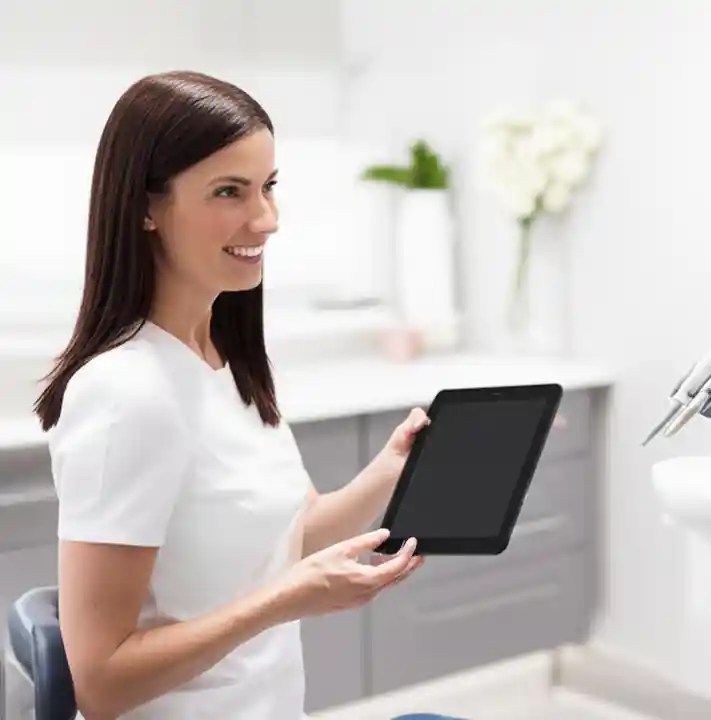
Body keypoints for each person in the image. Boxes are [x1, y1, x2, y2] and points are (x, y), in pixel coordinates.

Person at [34, 71, 429, 719]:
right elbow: (101, 683)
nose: (265, 219)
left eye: (268, 187)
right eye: (229, 191)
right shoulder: (126, 394)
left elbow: (284, 544)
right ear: (145, 206)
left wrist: (389, 471)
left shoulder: (228, 364)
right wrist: (284, 601)